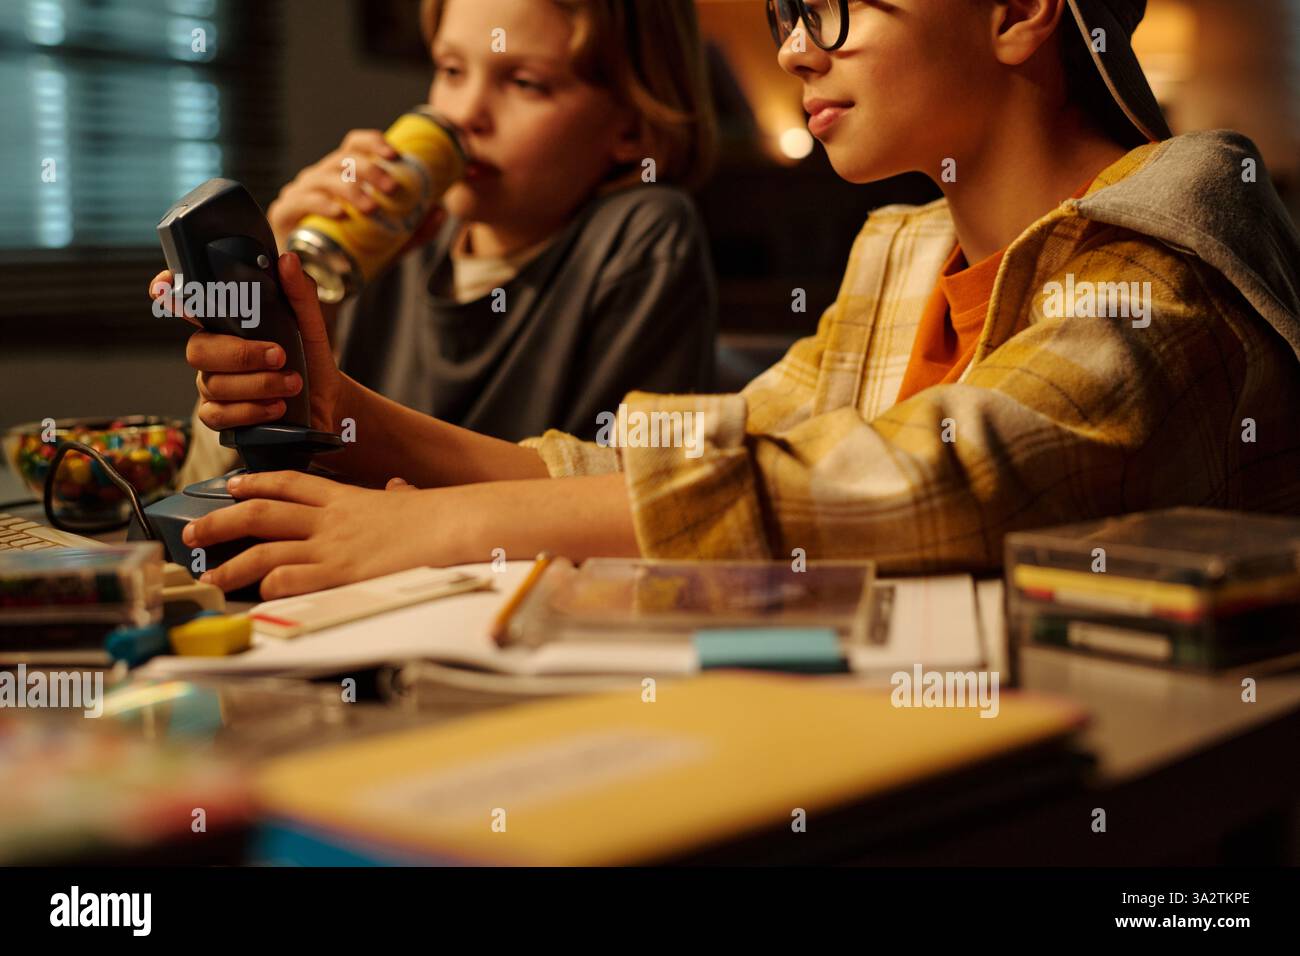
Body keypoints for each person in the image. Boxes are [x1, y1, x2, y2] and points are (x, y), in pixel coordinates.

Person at [160, 0, 1300, 599]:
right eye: (787, 12)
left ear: (1014, 9)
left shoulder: (1162, 261)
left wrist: (442, 524)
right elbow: (702, 457)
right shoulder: (900, 253)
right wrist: (344, 407)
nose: (798, 51)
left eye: (834, 3)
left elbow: (944, 479)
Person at [172, 0, 718, 485]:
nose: (464, 114)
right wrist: (283, 308)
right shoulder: (385, 239)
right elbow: (220, 485)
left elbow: (632, 499)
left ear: (631, 126)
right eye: (451, 70)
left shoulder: (643, 231)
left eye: (525, 82)